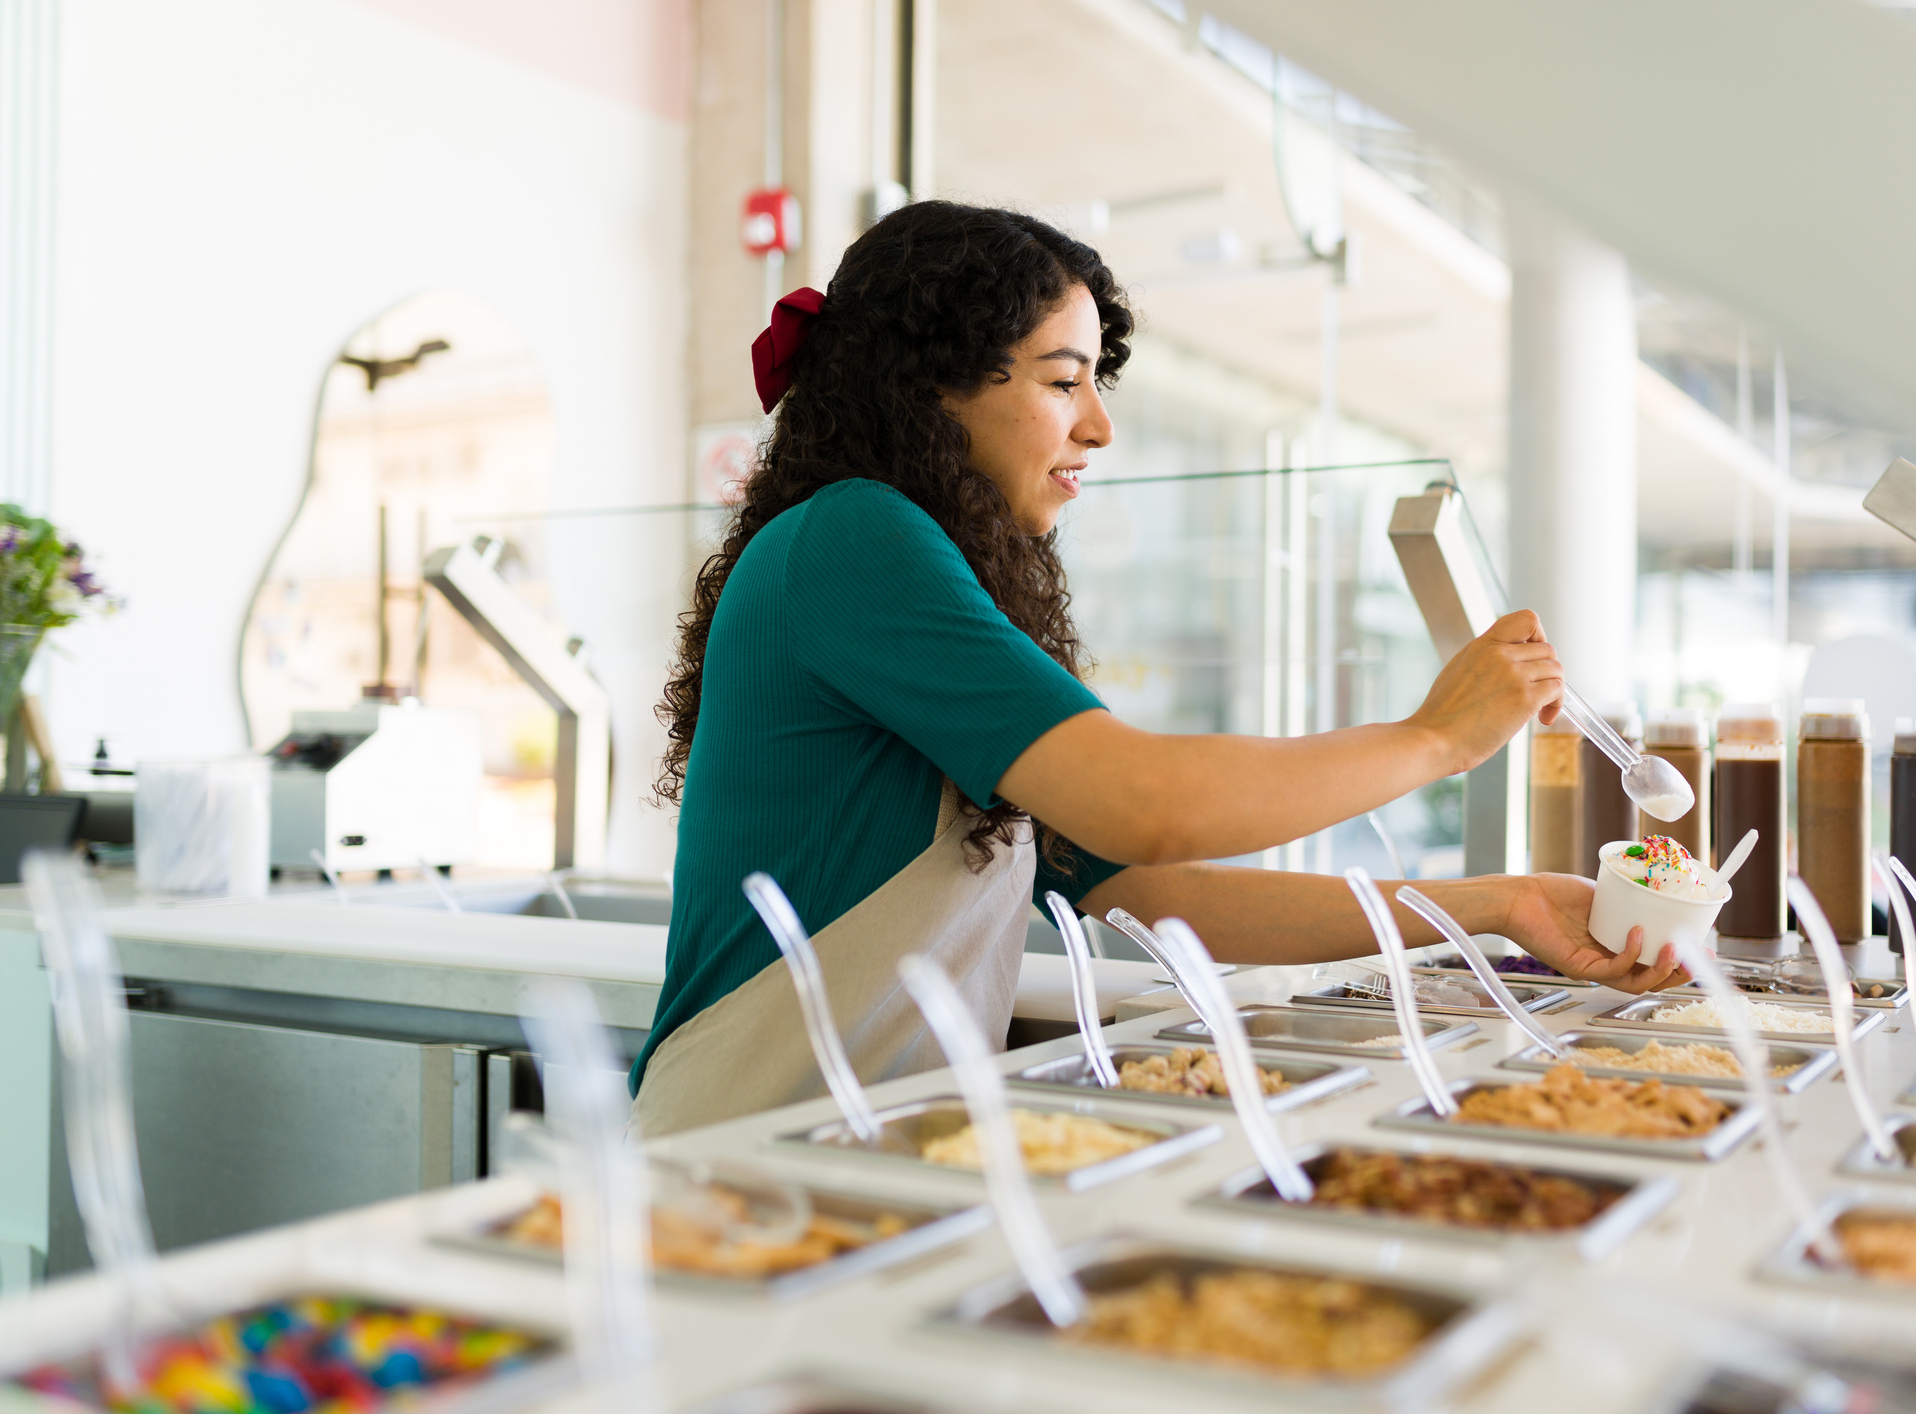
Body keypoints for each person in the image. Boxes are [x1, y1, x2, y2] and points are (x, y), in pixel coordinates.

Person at [629, 201, 1678, 1137]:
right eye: (1062, 380)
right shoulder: (855, 538)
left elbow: (1152, 891)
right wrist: (1436, 738)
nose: (1098, 425)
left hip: (859, 1149)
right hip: (740, 1157)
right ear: (928, 388)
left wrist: (1496, 905)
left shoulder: (892, 558)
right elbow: (1150, 807)